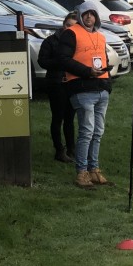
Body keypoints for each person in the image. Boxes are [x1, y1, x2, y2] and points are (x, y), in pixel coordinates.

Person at [58, 0, 114, 188]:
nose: (89, 16)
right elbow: (63, 60)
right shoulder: (71, 34)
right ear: (80, 15)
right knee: (87, 131)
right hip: (82, 89)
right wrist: (86, 71)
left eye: (93, 13)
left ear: (97, 16)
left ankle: (94, 170)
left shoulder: (101, 36)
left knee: (98, 132)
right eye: (86, 13)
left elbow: (103, 58)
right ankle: (81, 172)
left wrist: (107, 83)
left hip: (101, 88)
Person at [36, 11, 78, 164]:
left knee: (70, 118)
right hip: (56, 83)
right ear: (63, 24)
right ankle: (59, 150)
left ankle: (71, 149)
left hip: (72, 83)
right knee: (58, 117)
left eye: (72, 27)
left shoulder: (77, 40)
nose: (69, 29)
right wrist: (61, 62)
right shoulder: (51, 41)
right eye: (67, 25)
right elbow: (42, 61)